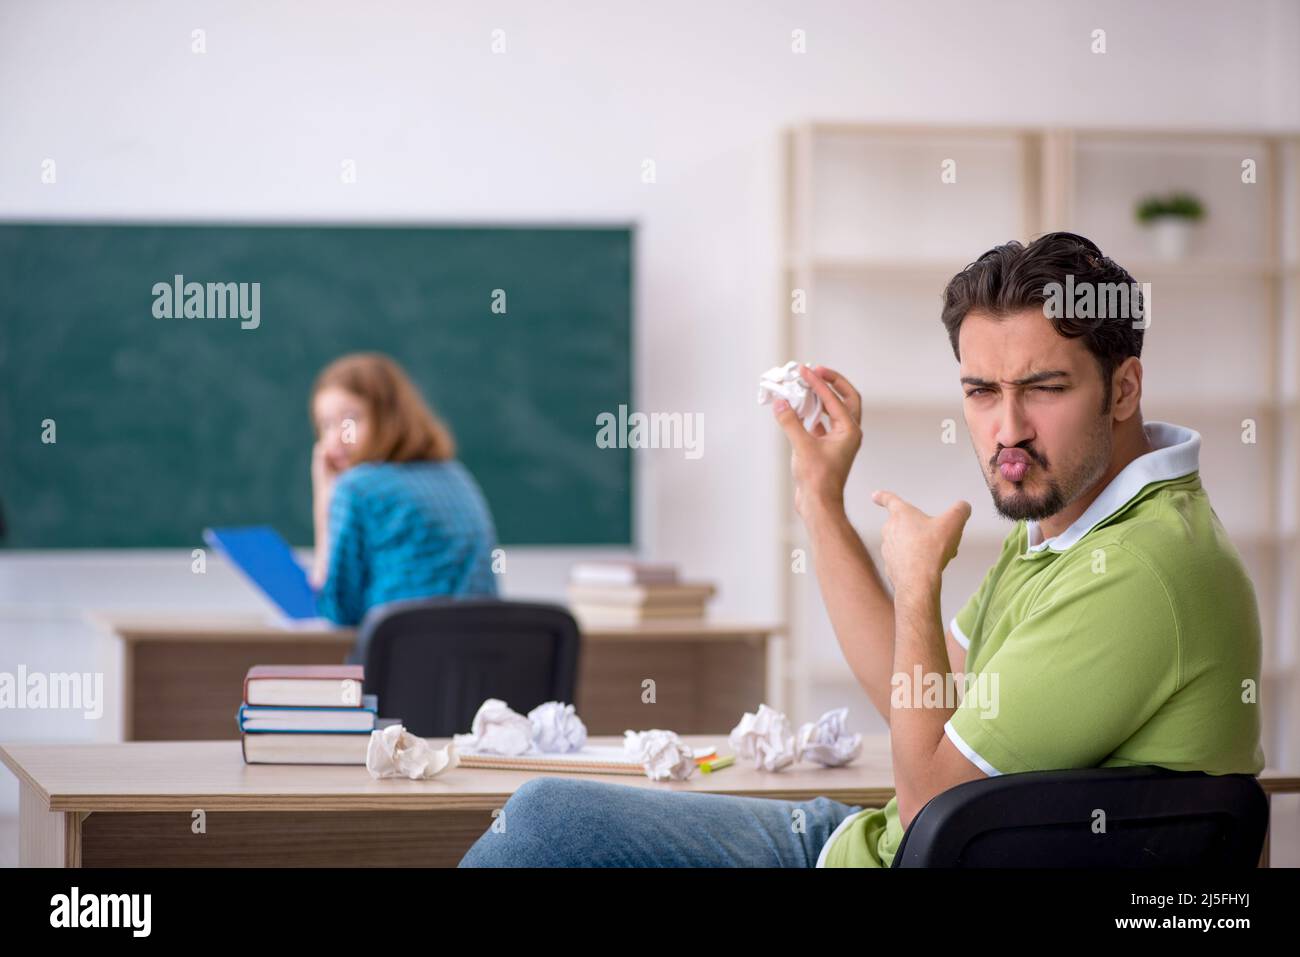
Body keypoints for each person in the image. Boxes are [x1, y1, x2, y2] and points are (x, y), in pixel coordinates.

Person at [458, 231, 1264, 867]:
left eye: (1044, 388)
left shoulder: (1134, 571)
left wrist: (917, 585)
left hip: (893, 849)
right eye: (982, 391)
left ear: (1124, 387)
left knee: (539, 821)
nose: (1006, 429)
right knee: (544, 816)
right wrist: (820, 495)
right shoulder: (1080, 524)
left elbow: (929, 802)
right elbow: (915, 692)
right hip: (870, 844)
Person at [309, 352, 499, 653]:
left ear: (389, 417)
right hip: (481, 675)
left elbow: (338, 614)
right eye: (326, 425)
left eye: (350, 420)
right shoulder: (456, 476)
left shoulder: (357, 487)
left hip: (397, 675)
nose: (335, 439)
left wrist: (324, 501)